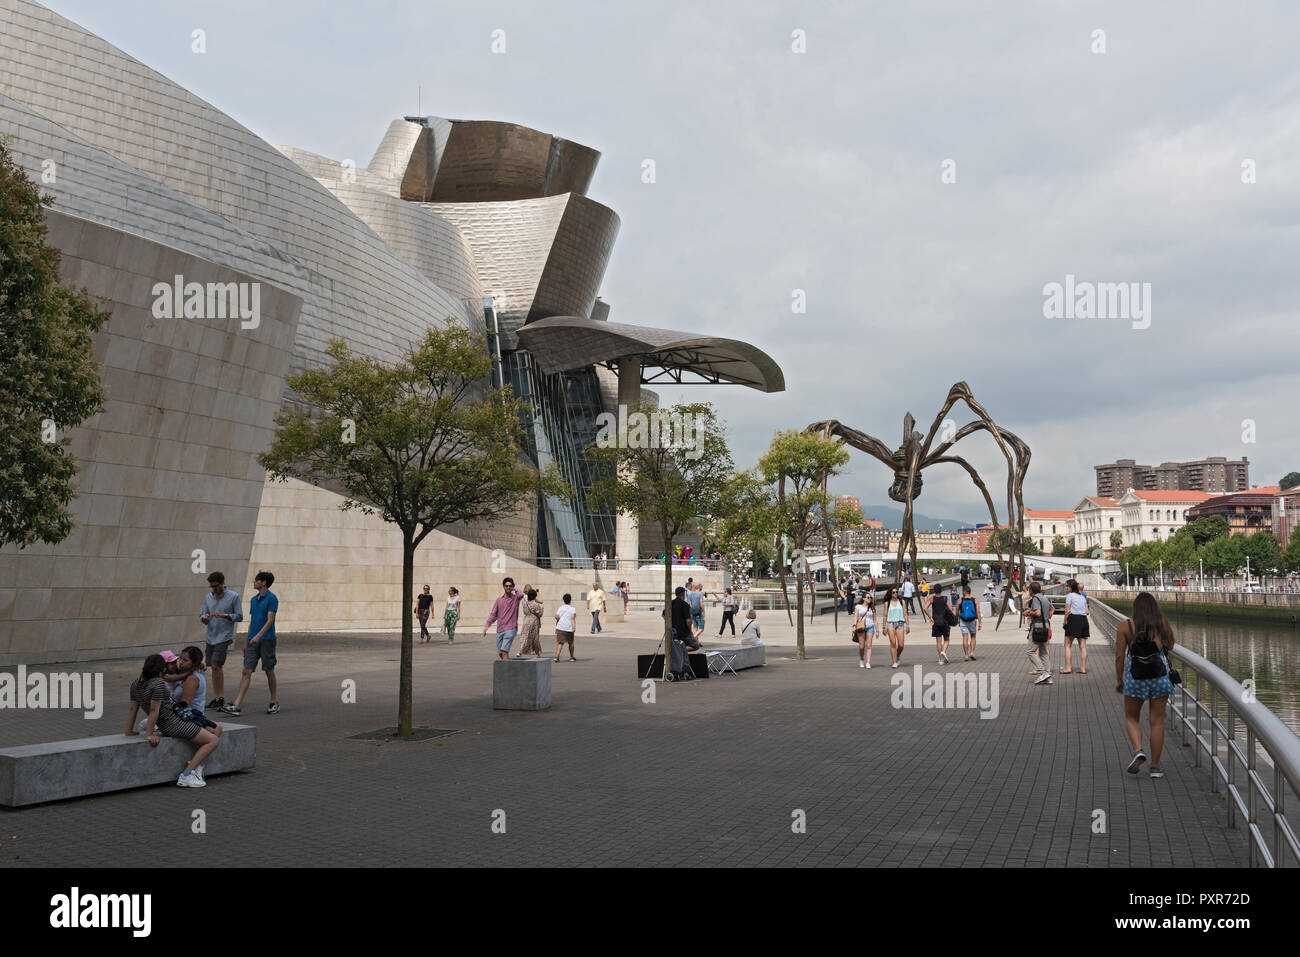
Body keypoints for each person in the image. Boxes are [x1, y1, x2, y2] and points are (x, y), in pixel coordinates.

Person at [125, 653, 222, 788]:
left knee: (217, 728)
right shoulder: (157, 683)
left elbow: (133, 709)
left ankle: (197, 765)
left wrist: (128, 730)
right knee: (213, 740)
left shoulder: (136, 684)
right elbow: (154, 710)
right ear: (161, 669)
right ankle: (187, 775)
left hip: (178, 717)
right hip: (174, 723)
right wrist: (149, 734)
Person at [1116, 592, 1176, 777]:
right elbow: (1171, 645)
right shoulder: (1161, 623)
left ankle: (1138, 750)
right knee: (1157, 722)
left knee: (1131, 718)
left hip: (1136, 678)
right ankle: (1155, 767)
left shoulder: (1125, 626)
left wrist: (1120, 680)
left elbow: (1119, 656)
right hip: (1159, 677)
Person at [222, 569, 279, 716]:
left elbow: (270, 620)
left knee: (269, 670)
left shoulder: (272, 598)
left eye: (256, 580)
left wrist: (258, 636)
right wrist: (247, 642)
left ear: (264, 582)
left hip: (267, 640)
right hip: (252, 640)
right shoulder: (254, 600)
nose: (254, 582)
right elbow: (253, 621)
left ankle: (273, 701)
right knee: (246, 671)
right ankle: (237, 705)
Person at [199, 571, 242, 712]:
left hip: (224, 636)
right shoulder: (208, 597)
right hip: (211, 636)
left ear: (223, 583)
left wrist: (225, 615)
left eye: (216, 586)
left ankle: (220, 697)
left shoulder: (233, 596)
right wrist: (204, 618)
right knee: (213, 667)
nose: (214, 589)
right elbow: (202, 614)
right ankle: (217, 698)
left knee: (217, 665)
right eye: (212, 587)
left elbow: (239, 616)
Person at [484, 577, 525, 659]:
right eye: (506, 586)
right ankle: (509, 667)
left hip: (510, 628)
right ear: (503, 586)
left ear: (512, 587)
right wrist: (487, 626)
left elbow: (521, 594)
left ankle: (506, 671)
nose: (508, 587)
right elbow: (493, 614)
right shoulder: (499, 600)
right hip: (500, 629)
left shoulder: (515, 599)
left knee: (504, 651)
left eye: (510, 586)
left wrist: (515, 589)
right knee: (500, 653)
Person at [1025, 581, 1053, 685]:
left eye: (1029, 590)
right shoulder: (1044, 598)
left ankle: (1042, 672)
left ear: (1031, 590)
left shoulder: (1036, 598)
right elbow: (1052, 610)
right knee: (1043, 651)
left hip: (1037, 626)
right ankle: (1048, 675)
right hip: (1046, 626)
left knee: (1030, 651)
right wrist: (1047, 617)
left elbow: (1037, 612)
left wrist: (1028, 612)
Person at [1061, 578, 1090, 674]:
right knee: (1082, 646)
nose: (1066, 588)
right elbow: (1087, 611)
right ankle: (1083, 668)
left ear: (1070, 587)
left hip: (1073, 619)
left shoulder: (1070, 596)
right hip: (1083, 620)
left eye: (1067, 586)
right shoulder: (1082, 597)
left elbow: (1067, 611)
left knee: (1067, 645)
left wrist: (1064, 622)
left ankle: (1068, 668)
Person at [926, 584, 953, 665]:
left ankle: (940, 660)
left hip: (936, 621)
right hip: (944, 621)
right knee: (947, 639)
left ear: (934, 590)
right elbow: (951, 609)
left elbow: (925, 608)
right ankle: (943, 651)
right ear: (941, 590)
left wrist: (930, 617)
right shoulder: (945, 598)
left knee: (938, 641)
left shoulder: (932, 599)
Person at [883, 586, 909, 668]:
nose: (895, 594)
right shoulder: (887, 603)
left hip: (900, 623)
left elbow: (905, 613)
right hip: (890, 624)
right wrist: (884, 627)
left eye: (896, 592)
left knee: (901, 645)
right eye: (893, 592)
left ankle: (897, 656)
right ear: (890, 594)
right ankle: (894, 662)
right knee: (893, 643)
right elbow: (884, 615)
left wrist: (907, 625)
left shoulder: (902, 601)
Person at [515, 588, 545, 658]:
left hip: (526, 620)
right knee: (535, 638)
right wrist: (542, 610)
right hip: (534, 622)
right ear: (534, 596)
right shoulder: (535, 604)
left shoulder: (525, 602)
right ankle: (537, 653)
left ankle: (520, 651)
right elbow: (539, 615)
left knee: (524, 636)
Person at [957, 584, 981, 662]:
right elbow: (978, 612)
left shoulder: (960, 600)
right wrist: (980, 622)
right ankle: (972, 653)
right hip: (972, 620)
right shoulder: (975, 600)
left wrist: (957, 619)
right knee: (973, 637)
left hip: (963, 620)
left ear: (964, 592)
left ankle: (966, 655)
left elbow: (957, 611)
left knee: (965, 638)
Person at [853, 593, 877, 668]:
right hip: (861, 627)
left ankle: (868, 663)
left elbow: (875, 620)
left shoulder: (872, 608)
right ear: (863, 598)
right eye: (868, 597)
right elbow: (855, 617)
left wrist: (878, 631)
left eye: (870, 597)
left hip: (870, 627)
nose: (869, 598)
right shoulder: (858, 607)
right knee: (861, 646)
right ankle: (861, 659)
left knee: (869, 645)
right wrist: (854, 626)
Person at [554, 593, 577, 661]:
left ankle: (557, 657)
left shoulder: (561, 608)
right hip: (568, 628)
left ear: (564, 600)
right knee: (571, 642)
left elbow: (556, 616)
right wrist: (574, 627)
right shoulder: (572, 609)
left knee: (560, 643)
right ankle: (571, 657)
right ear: (570, 600)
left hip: (560, 627)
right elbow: (572, 618)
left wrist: (559, 619)